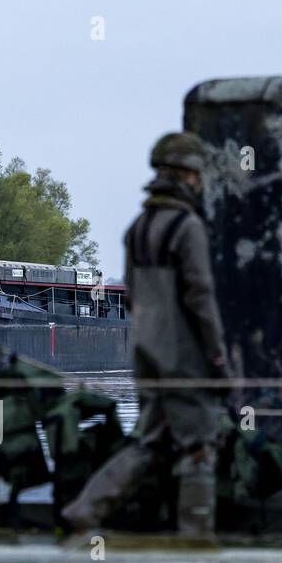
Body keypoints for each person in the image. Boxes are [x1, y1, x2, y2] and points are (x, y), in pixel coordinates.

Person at [61, 131, 229, 534]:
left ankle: (85, 509)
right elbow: (201, 297)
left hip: (144, 348)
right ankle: (195, 536)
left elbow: (133, 295)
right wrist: (218, 354)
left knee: (150, 442)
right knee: (200, 446)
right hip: (183, 353)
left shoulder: (137, 228)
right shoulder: (188, 228)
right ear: (188, 175)